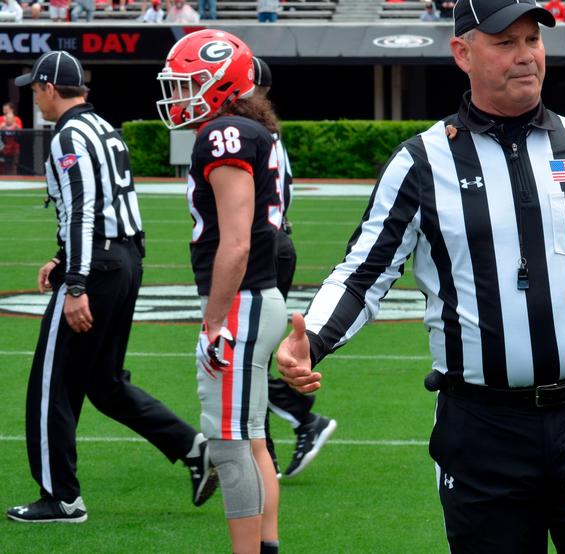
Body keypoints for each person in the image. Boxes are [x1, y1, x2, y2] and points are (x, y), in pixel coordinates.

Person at [275, 0, 565, 551]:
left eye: (533, 40)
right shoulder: (422, 161)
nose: (526, 56)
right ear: (462, 52)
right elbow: (363, 273)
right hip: (482, 426)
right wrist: (312, 339)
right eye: (506, 43)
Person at [5, 50, 218, 524]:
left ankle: (60, 498)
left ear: (50, 88)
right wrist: (65, 258)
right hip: (124, 260)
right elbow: (108, 201)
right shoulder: (104, 127)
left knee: (51, 385)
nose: (33, 97)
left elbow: (82, 208)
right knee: (103, 382)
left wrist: (76, 279)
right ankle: (193, 448)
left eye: (35, 88)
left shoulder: (69, 135)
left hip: (97, 268)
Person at [157, 29, 286, 554]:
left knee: (229, 446)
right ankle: (267, 546)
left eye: (190, 84)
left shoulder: (224, 134)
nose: (180, 96)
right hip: (258, 298)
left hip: (243, 301)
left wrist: (214, 321)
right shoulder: (249, 129)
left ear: (222, 83)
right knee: (252, 440)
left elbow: (234, 243)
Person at [252, 56, 338, 480]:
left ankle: (296, 424)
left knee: (242, 357)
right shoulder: (266, 130)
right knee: (249, 356)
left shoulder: (246, 132)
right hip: (275, 241)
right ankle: (270, 443)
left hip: (262, 246)